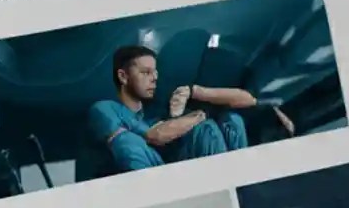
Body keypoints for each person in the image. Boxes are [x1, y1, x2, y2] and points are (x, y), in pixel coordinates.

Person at [87, 45, 295, 174]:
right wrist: (200, 114)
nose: (154, 78)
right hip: (151, 183)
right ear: (123, 77)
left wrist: (194, 97)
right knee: (204, 130)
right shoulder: (106, 110)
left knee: (233, 121)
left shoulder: (155, 109)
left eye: (155, 73)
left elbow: (248, 100)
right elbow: (154, 135)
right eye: (146, 72)